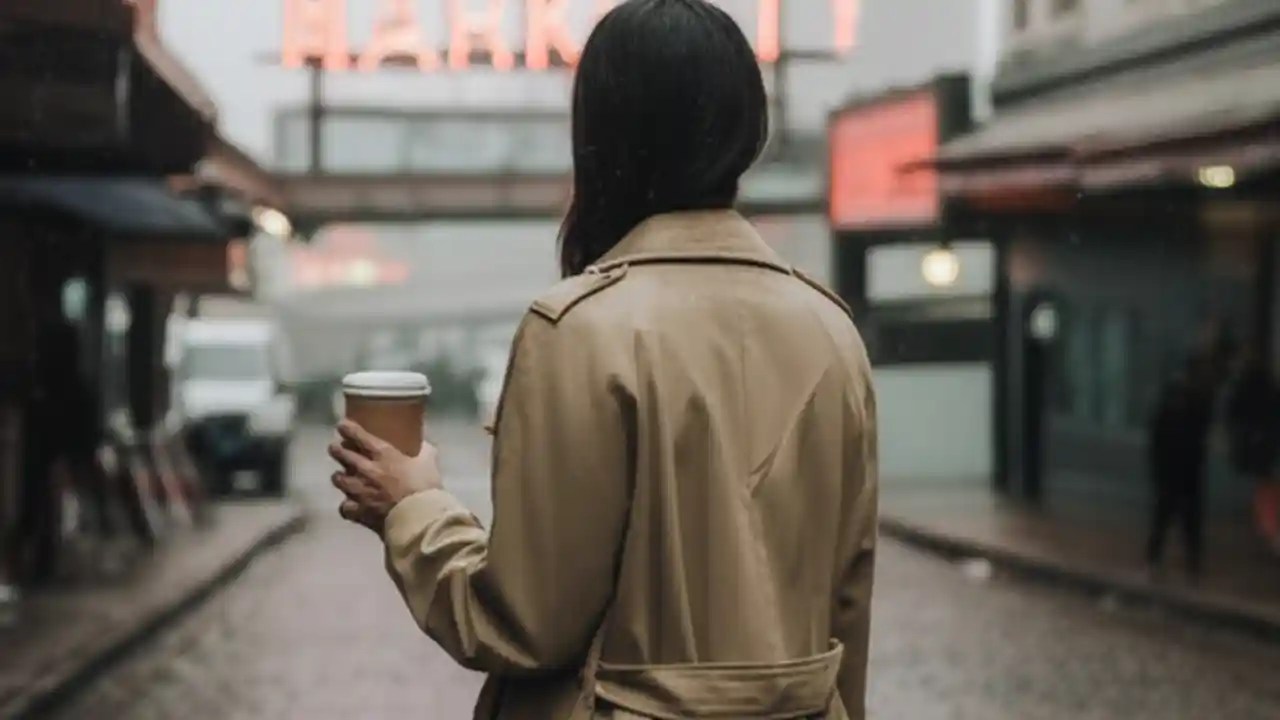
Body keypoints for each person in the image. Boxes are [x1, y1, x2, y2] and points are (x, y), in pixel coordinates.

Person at [328, 1, 879, 718]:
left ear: (601, 136)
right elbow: (848, 621)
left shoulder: (579, 330)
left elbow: (524, 624)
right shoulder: (831, 331)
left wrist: (411, 506)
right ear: (747, 128)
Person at [1145, 353, 1215, 580]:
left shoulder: (1198, 400)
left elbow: (1200, 434)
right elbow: (1158, 434)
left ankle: (1190, 563)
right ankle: (1156, 559)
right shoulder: (1176, 398)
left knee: (1186, 521)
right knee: (1166, 517)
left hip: (1187, 470)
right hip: (1174, 470)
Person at [1226, 348, 1280, 553]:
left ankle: (1268, 529)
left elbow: (1234, 413)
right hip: (1264, 447)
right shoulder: (1264, 387)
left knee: (1265, 488)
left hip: (1258, 447)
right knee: (1266, 487)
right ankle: (1268, 529)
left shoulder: (1246, 386)